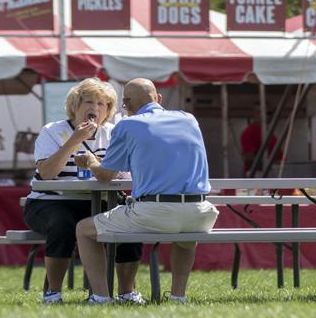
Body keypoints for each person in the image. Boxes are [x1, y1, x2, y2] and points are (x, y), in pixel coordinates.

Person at [73, 79, 218, 304]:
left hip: (156, 212)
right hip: (200, 213)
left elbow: (105, 176)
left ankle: (101, 297)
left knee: (84, 229)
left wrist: (91, 161)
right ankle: (178, 296)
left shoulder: (127, 125)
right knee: (184, 236)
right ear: (158, 99)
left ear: (127, 105)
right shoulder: (189, 120)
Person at [23, 78, 144, 304]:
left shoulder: (114, 132)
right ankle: (53, 293)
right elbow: (47, 173)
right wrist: (74, 140)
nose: (95, 109)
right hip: (52, 201)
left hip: (101, 199)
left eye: (102, 104)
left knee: (129, 221)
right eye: (89, 102)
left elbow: (126, 175)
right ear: (75, 106)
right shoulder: (53, 131)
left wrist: (96, 163)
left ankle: (127, 293)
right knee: (62, 224)